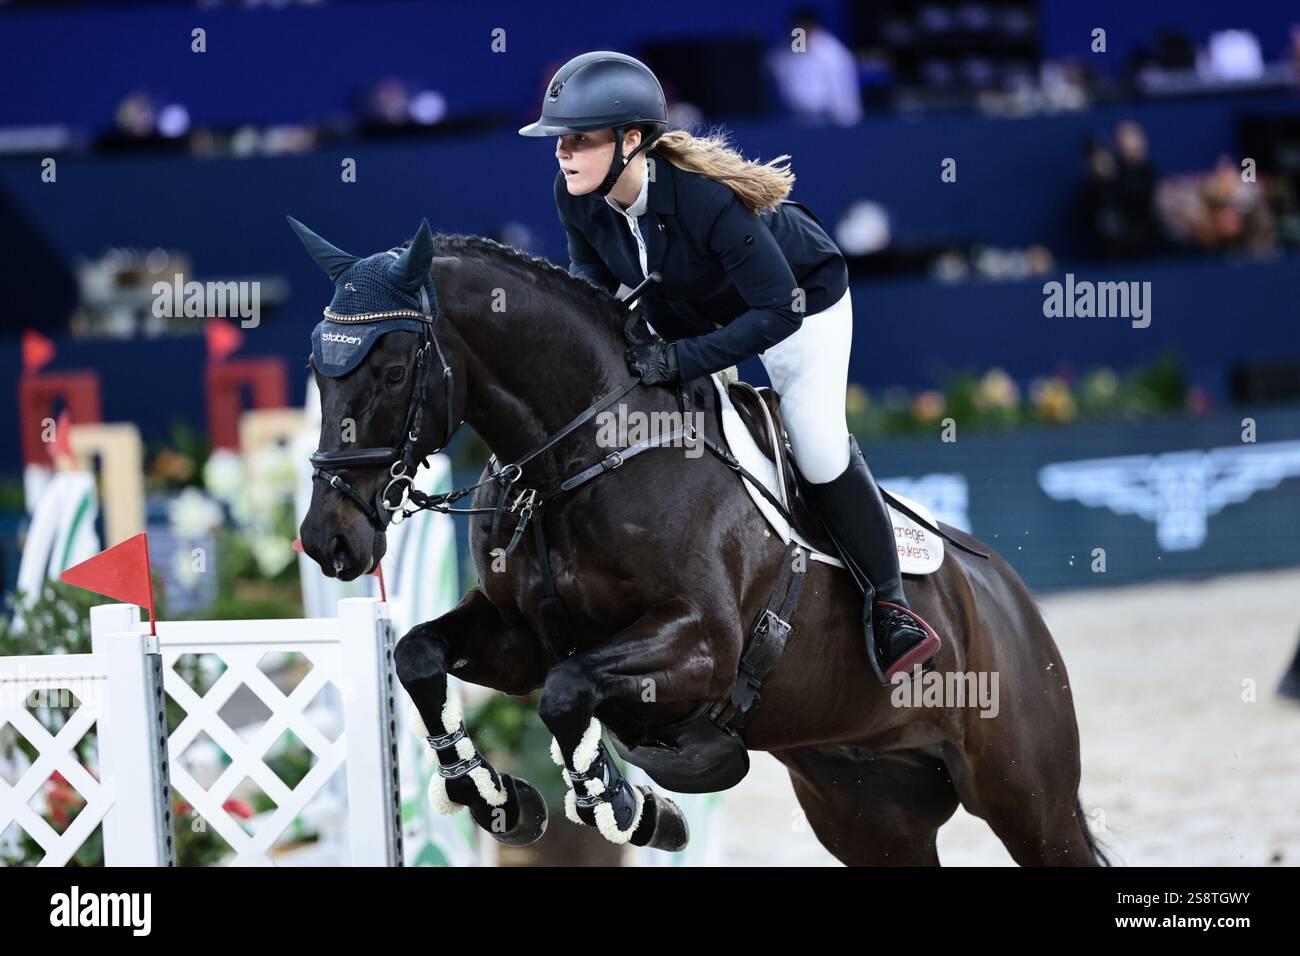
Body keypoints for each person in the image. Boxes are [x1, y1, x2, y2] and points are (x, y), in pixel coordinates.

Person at [518, 51, 939, 680]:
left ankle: (890, 607)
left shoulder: (704, 200)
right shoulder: (575, 194)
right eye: (559, 140)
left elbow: (777, 313)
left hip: (798, 299)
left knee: (817, 446)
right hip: (691, 306)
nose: (563, 152)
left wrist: (682, 357)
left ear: (632, 141)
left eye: (579, 139)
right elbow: (594, 286)